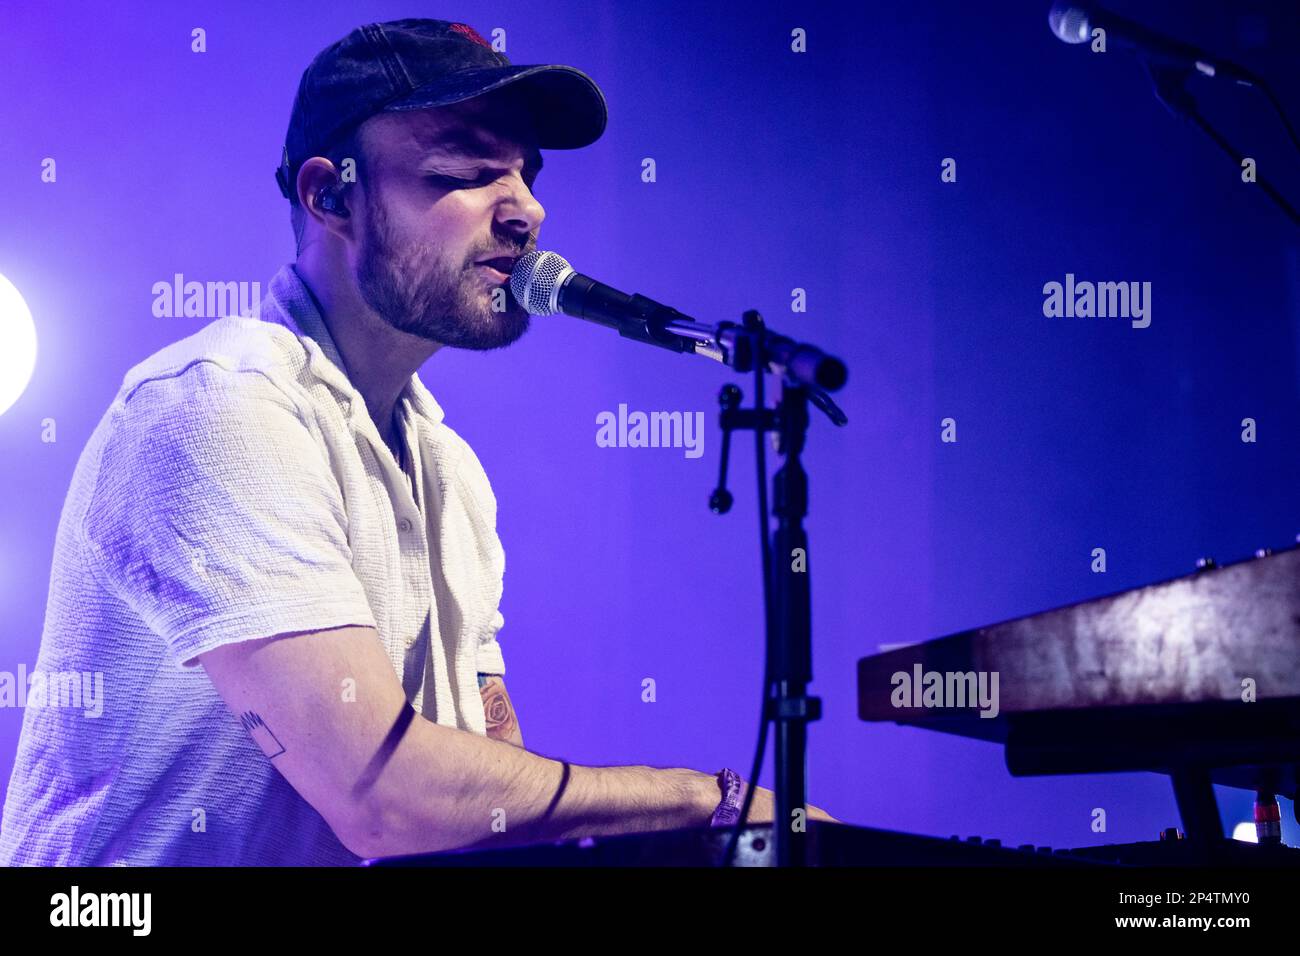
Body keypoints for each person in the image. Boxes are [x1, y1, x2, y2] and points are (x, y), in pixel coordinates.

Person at [0, 18, 833, 866]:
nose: (529, 210)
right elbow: (384, 799)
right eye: (468, 172)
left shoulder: (449, 471)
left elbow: (491, 799)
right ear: (331, 197)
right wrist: (705, 802)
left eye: (526, 174)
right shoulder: (220, 408)